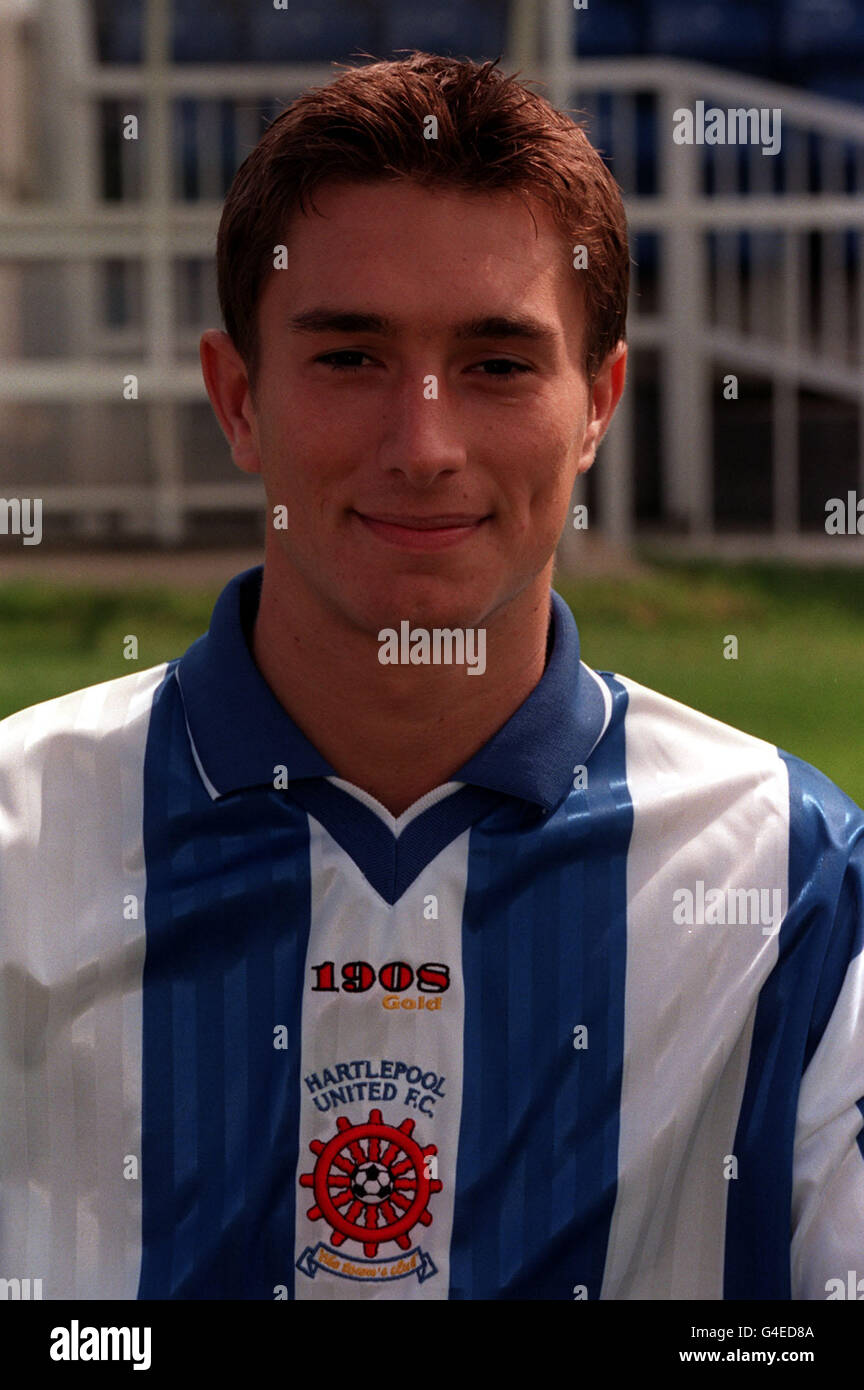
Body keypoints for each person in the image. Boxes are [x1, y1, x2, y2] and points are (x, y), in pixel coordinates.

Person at [1, 51, 861, 1303]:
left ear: (597, 407)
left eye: (499, 364)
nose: (424, 444)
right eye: (350, 358)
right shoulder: (18, 847)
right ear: (238, 398)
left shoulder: (790, 884)